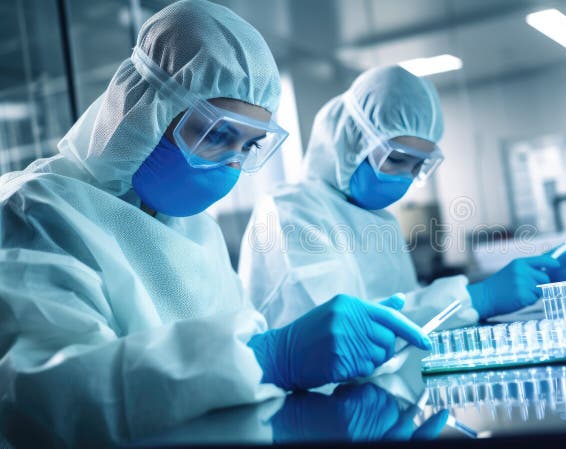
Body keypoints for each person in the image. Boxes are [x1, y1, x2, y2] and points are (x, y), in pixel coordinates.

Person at [0, 1, 429, 447]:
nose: (231, 164)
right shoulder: (34, 212)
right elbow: (46, 396)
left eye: (249, 145)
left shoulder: (192, 231)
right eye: (219, 134)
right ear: (146, 111)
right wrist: (264, 359)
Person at [238, 66, 566, 330]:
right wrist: (478, 299)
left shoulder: (375, 219)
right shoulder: (290, 212)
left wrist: (541, 280)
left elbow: (404, 303)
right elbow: (341, 330)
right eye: (396, 159)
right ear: (349, 141)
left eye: (417, 167)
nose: (404, 178)